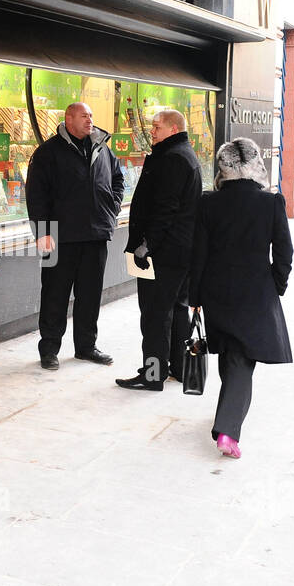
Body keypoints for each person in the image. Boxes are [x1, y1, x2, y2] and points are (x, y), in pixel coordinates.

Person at [188, 138, 293, 459]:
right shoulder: (271, 203)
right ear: (256, 165)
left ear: (223, 168)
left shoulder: (208, 203)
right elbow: (285, 251)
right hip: (255, 292)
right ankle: (228, 431)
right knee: (241, 359)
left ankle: (226, 415)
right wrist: (277, 283)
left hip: (217, 291)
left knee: (233, 355)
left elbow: (199, 254)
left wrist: (195, 295)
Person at [25, 101, 124, 370]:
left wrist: (110, 209)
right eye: (84, 116)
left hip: (96, 234)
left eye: (91, 115)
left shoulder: (103, 148)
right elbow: (36, 194)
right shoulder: (48, 152)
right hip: (59, 237)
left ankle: (86, 347)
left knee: (90, 296)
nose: (90, 120)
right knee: (55, 295)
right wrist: (43, 230)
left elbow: (117, 180)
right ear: (68, 119)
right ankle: (49, 350)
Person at [116, 108, 202, 391]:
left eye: (157, 127)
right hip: (179, 251)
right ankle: (176, 367)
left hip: (163, 254)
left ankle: (153, 375)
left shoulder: (174, 158)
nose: (151, 131)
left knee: (154, 315)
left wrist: (145, 246)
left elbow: (165, 210)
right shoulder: (179, 153)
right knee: (175, 311)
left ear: (174, 129)